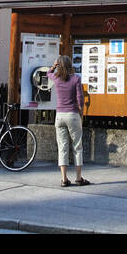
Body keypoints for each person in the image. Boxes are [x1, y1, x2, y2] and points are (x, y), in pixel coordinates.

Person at [50, 55, 90, 187]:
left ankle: (64, 179)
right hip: (72, 115)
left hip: (60, 116)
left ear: (59, 66)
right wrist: (81, 111)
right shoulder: (76, 79)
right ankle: (79, 178)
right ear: (70, 65)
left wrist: (54, 66)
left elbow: (47, 73)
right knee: (77, 146)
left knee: (62, 147)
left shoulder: (56, 78)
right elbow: (80, 98)